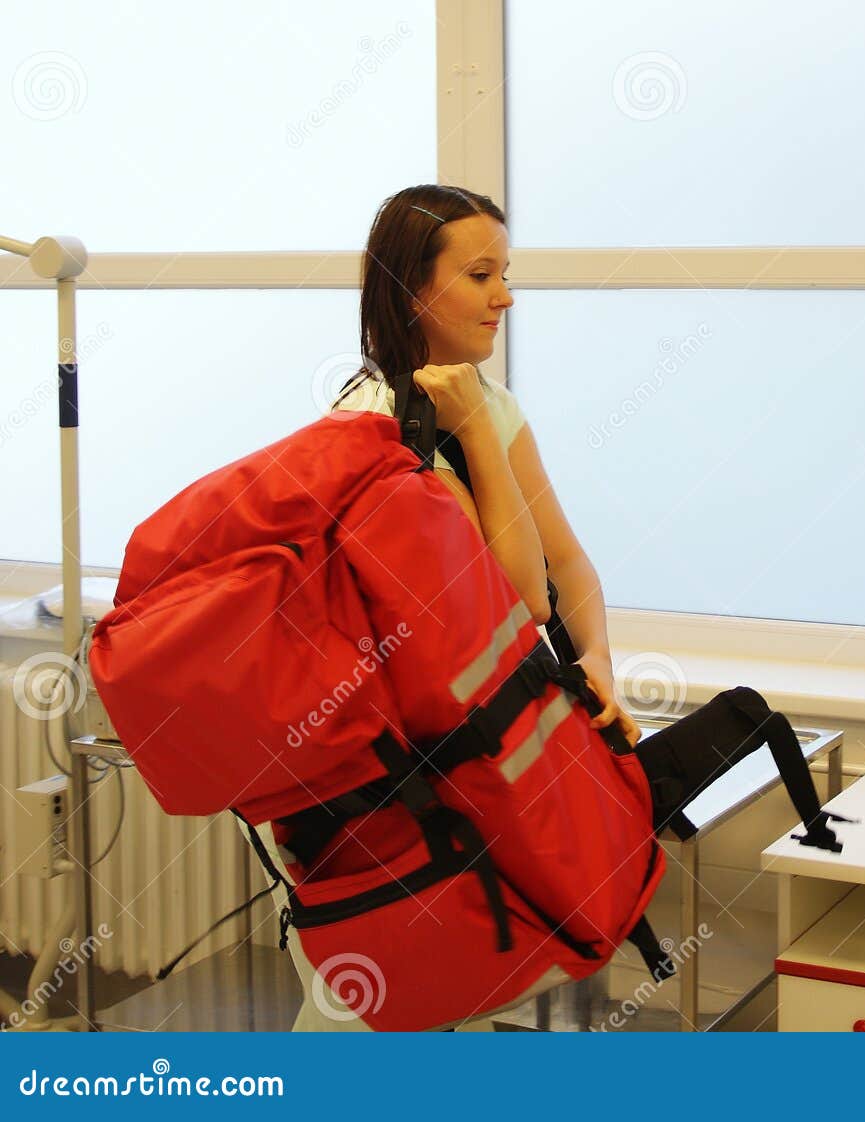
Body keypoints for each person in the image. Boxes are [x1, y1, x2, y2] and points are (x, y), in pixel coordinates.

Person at [272, 184, 637, 1030]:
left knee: (450, 1001)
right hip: (388, 804)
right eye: (480, 275)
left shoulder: (489, 404)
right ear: (412, 291)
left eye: (504, 272)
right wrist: (470, 430)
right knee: (372, 1017)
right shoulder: (369, 432)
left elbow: (570, 566)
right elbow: (516, 597)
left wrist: (599, 664)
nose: (505, 296)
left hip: (465, 772)